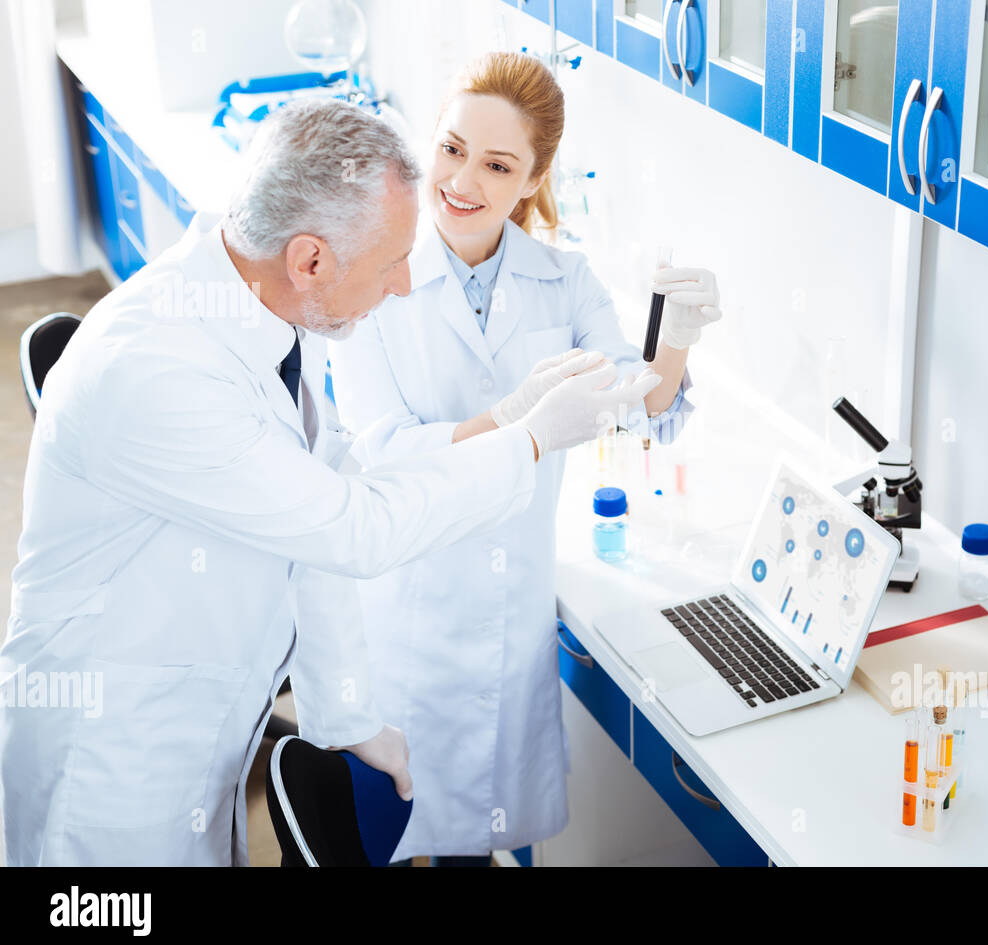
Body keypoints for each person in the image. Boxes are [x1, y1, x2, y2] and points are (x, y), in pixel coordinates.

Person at [0, 97, 657, 866]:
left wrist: (344, 715)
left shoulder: (262, 291)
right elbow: (351, 529)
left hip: (204, 715)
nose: (406, 285)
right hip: (114, 763)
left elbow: (322, 504)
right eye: (390, 263)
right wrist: (532, 440)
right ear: (310, 258)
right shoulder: (158, 371)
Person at [327, 52, 722, 865]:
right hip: (403, 622)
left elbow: (639, 410)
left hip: (507, 623)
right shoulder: (368, 275)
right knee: (382, 842)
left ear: (534, 178)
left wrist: (676, 340)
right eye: (451, 148)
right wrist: (512, 424)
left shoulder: (563, 283)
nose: (464, 180)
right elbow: (382, 457)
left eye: (498, 164)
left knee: (491, 838)